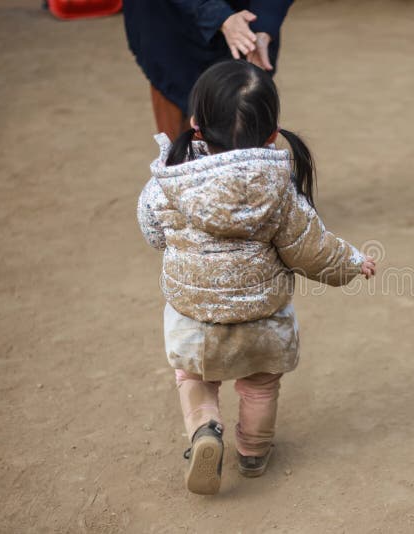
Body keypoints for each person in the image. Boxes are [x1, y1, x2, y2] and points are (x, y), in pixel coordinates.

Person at [137, 60, 376, 495]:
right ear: (272, 133)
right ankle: (252, 452)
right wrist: (350, 262)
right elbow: (311, 249)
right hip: (263, 322)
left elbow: (153, 232)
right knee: (260, 386)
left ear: (195, 126)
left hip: (194, 320)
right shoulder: (280, 188)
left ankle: (205, 430)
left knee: (193, 378)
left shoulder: (169, 180)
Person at [123, 0, 294, 141]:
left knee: (246, 104)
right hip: (171, 24)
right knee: (177, 138)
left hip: (247, 21)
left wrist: (264, 26)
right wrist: (218, 15)